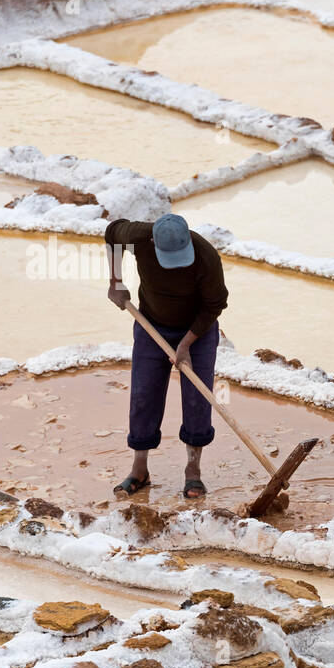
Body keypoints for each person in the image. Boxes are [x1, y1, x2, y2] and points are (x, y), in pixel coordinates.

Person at [105, 213, 228, 500]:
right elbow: (112, 234)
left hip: (197, 331)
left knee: (198, 399)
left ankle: (193, 471)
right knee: (144, 394)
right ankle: (139, 470)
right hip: (151, 327)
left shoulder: (206, 256)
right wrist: (115, 281)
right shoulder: (138, 235)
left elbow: (214, 305)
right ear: (152, 243)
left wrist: (185, 345)